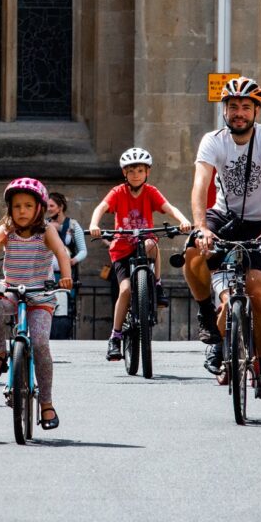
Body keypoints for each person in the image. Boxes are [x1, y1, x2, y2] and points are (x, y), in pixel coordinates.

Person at [181, 76, 261, 395]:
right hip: (225, 216)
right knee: (190, 252)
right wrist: (200, 227)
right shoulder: (213, 139)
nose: (238, 112)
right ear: (224, 111)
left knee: (257, 290)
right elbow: (201, 184)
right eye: (232, 107)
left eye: (245, 107)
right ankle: (205, 313)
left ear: (256, 111)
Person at [0, 178, 72, 430]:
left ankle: (46, 404)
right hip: (12, 290)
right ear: (9, 209)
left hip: (41, 295)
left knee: (39, 344)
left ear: (39, 208)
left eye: (28, 205)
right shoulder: (6, 229)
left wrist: (66, 277)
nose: (22, 211)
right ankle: (0, 354)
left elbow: (61, 252)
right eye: (17, 206)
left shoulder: (46, 230)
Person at [88, 147, 192, 361]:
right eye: (131, 170)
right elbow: (101, 207)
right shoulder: (118, 192)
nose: (136, 174)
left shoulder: (151, 192)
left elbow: (169, 207)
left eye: (140, 170)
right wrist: (94, 224)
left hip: (143, 243)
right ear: (125, 173)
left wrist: (183, 221)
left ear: (147, 173)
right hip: (121, 248)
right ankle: (115, 337)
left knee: (151, 243)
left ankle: (157, 283)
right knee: (125, 290)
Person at [47, 192, 88, 338]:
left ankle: (60, 334)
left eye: (51, 205)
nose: (48, 208)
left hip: (64, 274)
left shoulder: (73, 225)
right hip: (46, 274)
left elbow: (83, 250)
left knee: (63, 308)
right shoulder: (44, 225)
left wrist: (73, 261)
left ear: (60, 207)